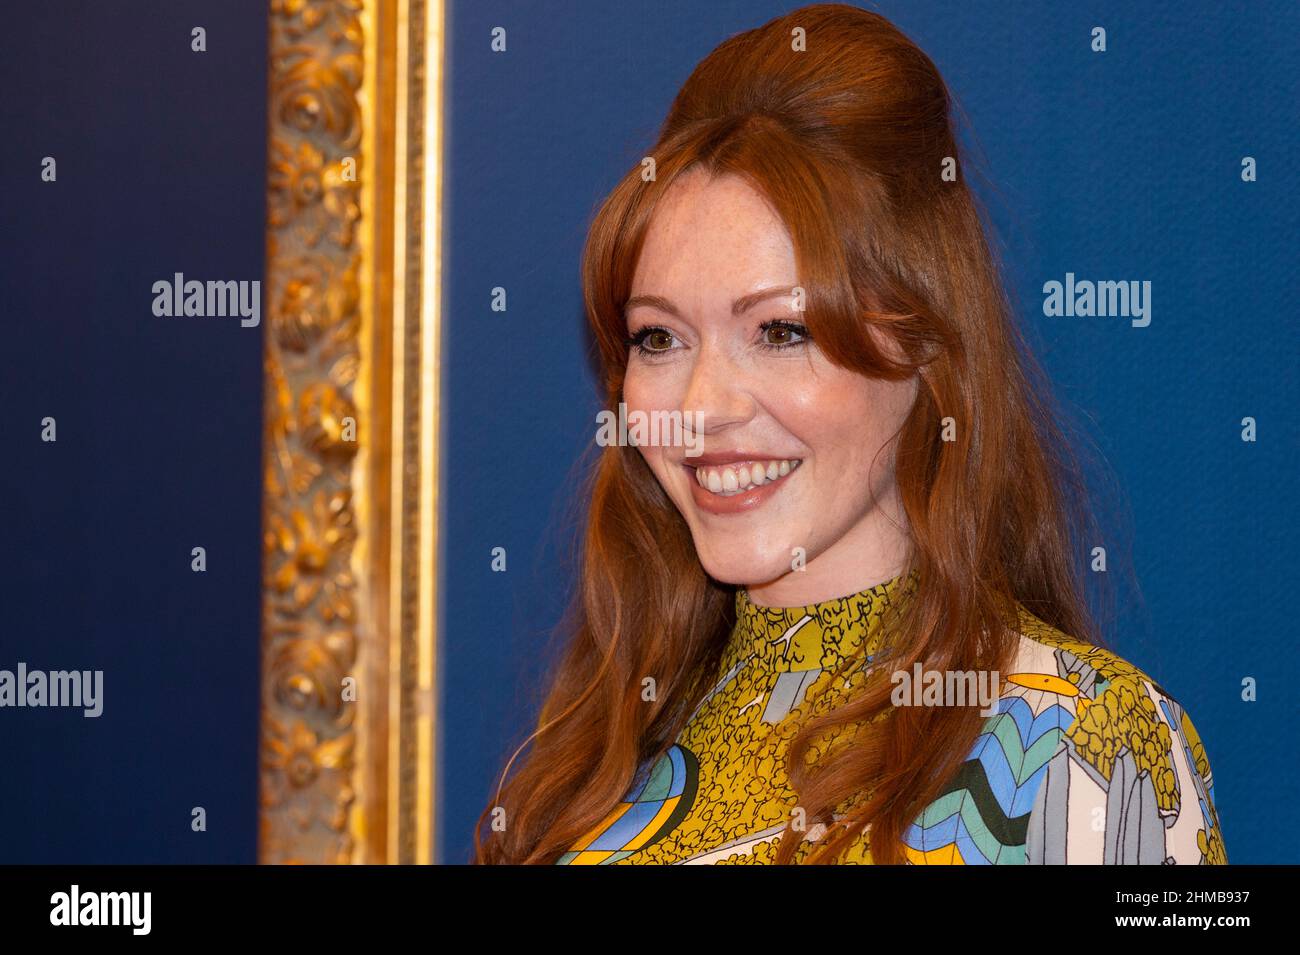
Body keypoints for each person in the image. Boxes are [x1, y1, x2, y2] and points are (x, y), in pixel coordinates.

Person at [474, 3, 1227, 865]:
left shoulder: (1084, 743)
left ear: (923, 343)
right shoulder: (585, 772)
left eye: (780, 330)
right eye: (659, 336)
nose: (704, 405)